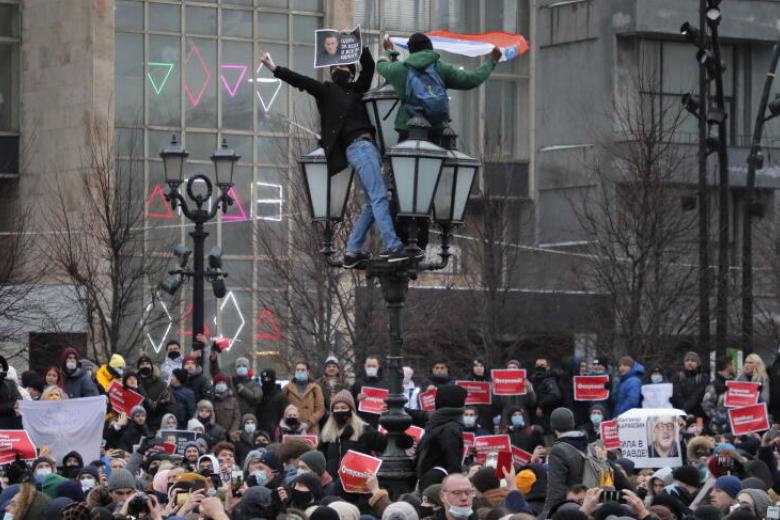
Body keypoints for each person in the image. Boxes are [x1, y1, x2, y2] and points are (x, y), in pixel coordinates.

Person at [261, 43, 409, 266]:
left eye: (342, 64)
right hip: (360, 147)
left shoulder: (358, 89)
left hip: (366, 150)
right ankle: (393, 246)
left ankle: (352, 250)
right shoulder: (327, 91)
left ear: (350, 71)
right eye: (334, 66)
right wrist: (274, 68)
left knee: (372, 203)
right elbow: (301, 81)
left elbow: (368, 67)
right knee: (379, 198)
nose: (337, 68)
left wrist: (358, 44)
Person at [377, 33, 500, 140]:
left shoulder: (400, 69)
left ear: (411, 50)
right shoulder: (442, 68)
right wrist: (492, 62)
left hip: (408, 129)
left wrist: (388, 50)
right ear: (430, 48)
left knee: (404, 165)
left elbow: (381, 65)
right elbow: (471, 80)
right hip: (437, 129)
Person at [319, 390, 388, 479]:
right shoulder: (327, 434)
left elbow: (385, 443)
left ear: (351, 411)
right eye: (336, 408)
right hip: (333, 484)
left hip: (359, 483)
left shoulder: (364, 430)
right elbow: (321, 458)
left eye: (344, 408)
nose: (340, 411)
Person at [540, 407, 589, 518]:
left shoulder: (558, 451)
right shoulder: (590, 446)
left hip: (572, 510)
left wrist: (547, 515)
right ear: (573, 423)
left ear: (553, 426)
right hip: (591, 504)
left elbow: (555, 491)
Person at [415, 384, 468, 481]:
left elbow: (454, 465)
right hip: (429, 480)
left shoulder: (450, 429)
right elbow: (421, 415)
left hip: (436, 485)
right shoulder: (440, 418)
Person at [136, 353, 176, 433]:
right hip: (136, 426)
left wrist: (161, 422)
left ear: (151, 366)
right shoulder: (134, 383)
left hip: (156, 426)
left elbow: (171, 405)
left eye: (148, 364)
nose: (145, 366)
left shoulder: (161, 384)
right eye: (142, 364)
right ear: (138, 367)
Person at [282, 362, 325, 434]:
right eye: (297, 370)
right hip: (291, 429)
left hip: (311, 429)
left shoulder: (315, 388)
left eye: (302, 370)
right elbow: (282, 408)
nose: (299, 372)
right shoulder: (287, 388)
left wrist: (309, 423)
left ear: (308, 371)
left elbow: (320, 410)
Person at [351, 356, 387, 428]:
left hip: (380, 423)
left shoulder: (385, 385)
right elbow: (350, 404)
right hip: (362, 422)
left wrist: (387, 407)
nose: (371, 368)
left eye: (374, 366)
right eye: (369, 366)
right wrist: (356, 399)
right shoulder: (357, 384)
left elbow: (391, 403)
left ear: (378, 366)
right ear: (364, 366)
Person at [671, 352, 709, 418]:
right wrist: (682, 410)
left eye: (693, 361)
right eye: (687, 360)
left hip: (698, 415)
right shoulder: (677, 377)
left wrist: (685, 409)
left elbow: (698, 396)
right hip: (679, 414)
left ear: (698, 363)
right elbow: (676, 394)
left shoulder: (703, 378)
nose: (690, 363)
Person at [529, 358, 562, 432]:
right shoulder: (532, 379)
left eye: (542, 365)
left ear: (548, 367)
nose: (539, 367)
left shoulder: (550, 380)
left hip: (546, 416)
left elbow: (555, 395)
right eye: (537, 365)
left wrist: (541, 405)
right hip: (534, 417)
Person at [702, 358, 735, 434]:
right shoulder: (714, 385)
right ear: (728, 366)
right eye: (733, 365)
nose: (735, 367)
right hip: (718, 429)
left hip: (733, 427)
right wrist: (721, 418)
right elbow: (707, 406)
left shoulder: (733, 383)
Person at [257, 368, 288, 435]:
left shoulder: (281, 397)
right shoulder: (259, 394)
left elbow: (284, 415)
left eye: (268, 379)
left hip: (275, 432)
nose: (265, 381)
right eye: (263, 379)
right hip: (259, 431)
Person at [0, 356, 21, 429]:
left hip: (10, 425)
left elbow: (18, 399)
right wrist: (11, 406)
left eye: (1, 367)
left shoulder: (10, 383)